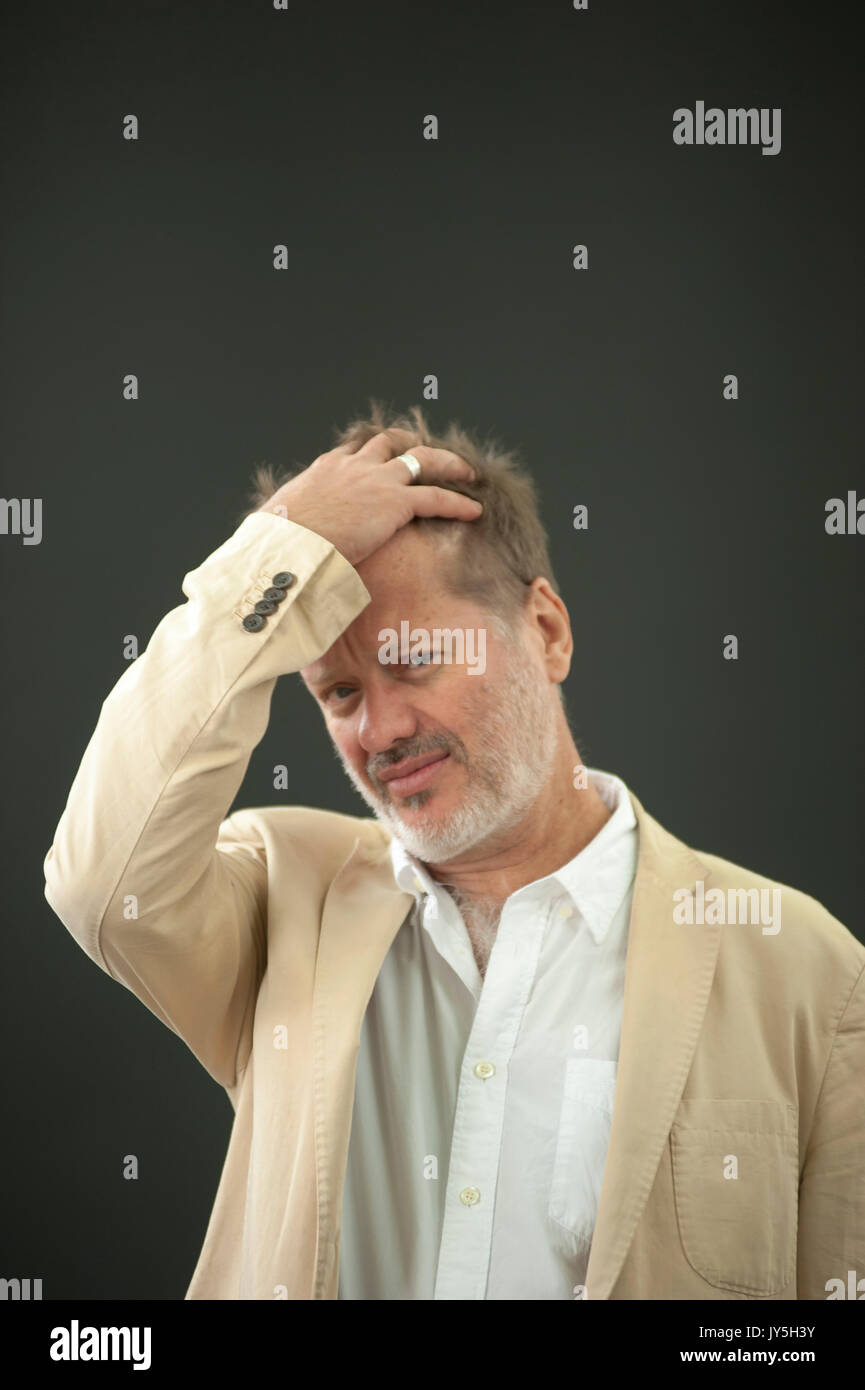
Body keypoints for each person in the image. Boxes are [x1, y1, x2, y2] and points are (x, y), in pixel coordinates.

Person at [43, 403, 865, 1300]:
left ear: (545, 630)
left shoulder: (806, 971)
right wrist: (278, 549)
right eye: (340, 692)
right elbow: (98, 882)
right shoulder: (281, 900)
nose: (380, 730)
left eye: (416, 661)